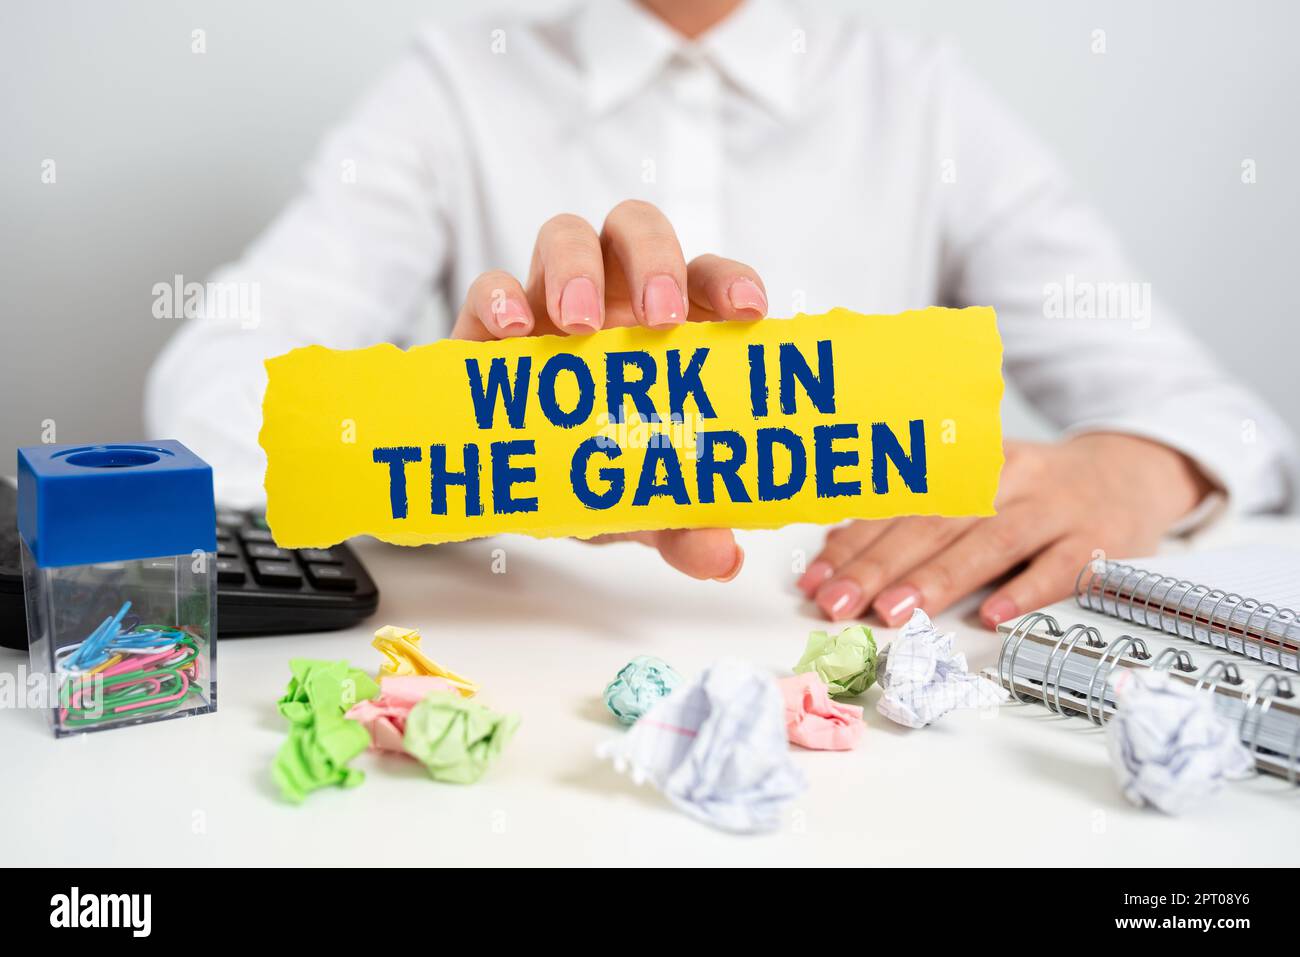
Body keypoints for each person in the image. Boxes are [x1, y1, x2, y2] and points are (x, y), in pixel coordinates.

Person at [146, 0, 1297, 629]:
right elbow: (206, 402)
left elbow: (1211, 414)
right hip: (529, 710)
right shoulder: (453, 83)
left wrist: (1137, 472)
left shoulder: (925, 100)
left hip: (874, 694)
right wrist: (455, 439)